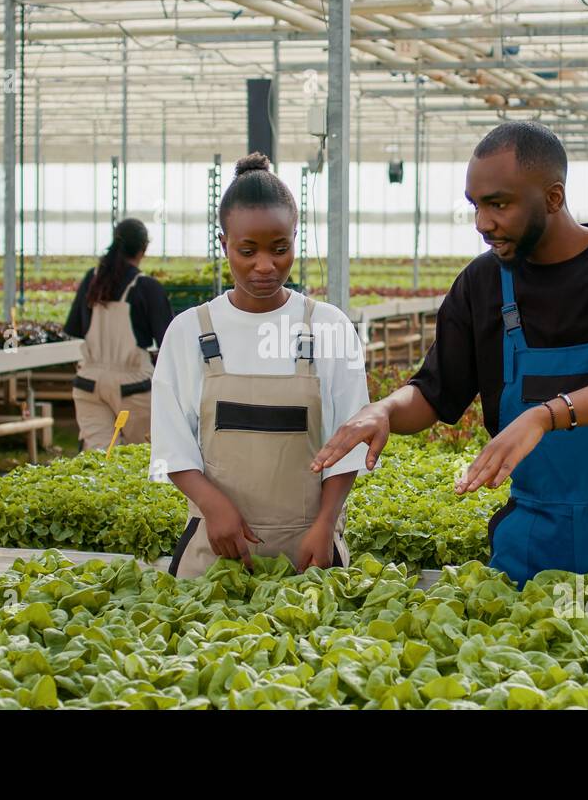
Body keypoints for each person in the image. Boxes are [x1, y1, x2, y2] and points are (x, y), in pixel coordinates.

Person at [313, 121, 588, 588]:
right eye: (475, 206)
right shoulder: (482, 284)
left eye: (499, 204)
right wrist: (385, 410)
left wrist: (546, 415)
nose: (482, 223)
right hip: (535, 537)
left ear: (553, 198)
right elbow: (435, 393)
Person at [150, 153, 369, 578]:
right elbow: (171, 445)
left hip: (310, 551)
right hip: (216, 550)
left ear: (295, 238)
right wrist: (214, 508)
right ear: (223, 244)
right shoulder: (190, 332)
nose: (265, 266)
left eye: (280, 249)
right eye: (247, 250)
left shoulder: (328, 326)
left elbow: (349, 442)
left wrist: (325, 525)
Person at [64, 217, 172, 451]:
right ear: (143, 248)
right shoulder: (145, 287)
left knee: (101, 459)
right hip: (132, 386)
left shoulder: (93, 280)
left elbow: (75, 328)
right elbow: (168, 342)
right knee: (145, 454)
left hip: (89, 384)